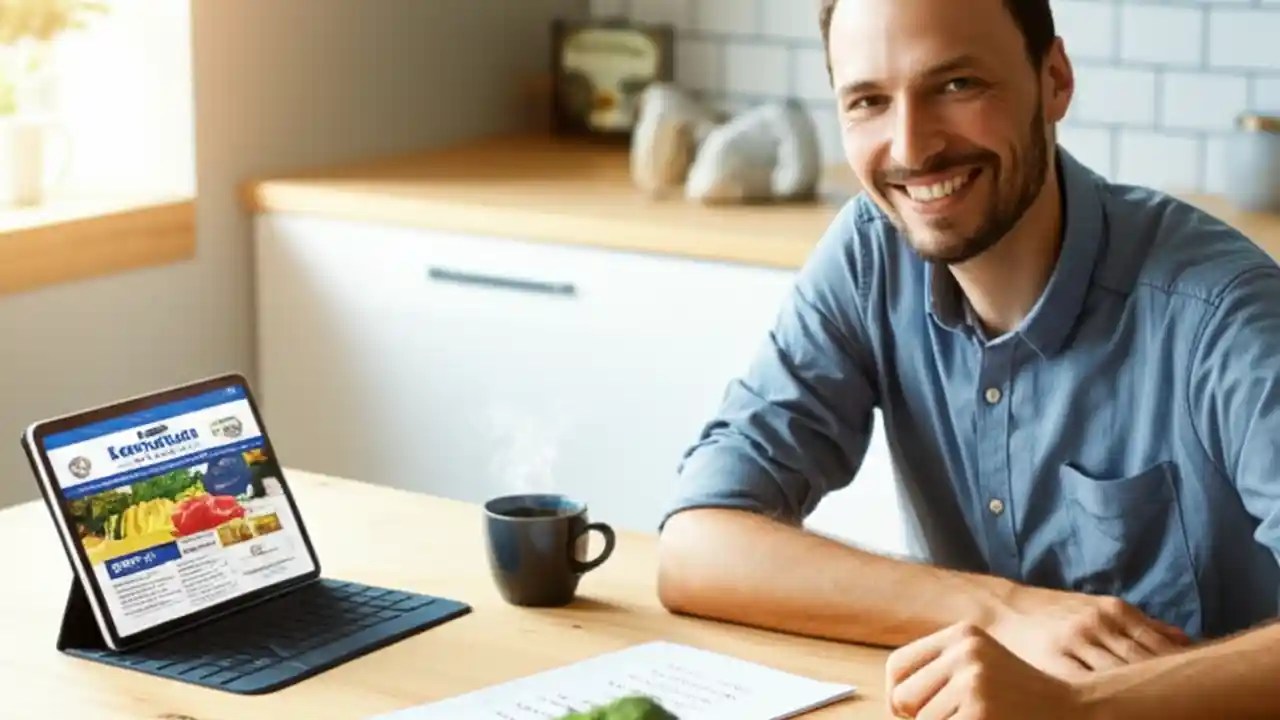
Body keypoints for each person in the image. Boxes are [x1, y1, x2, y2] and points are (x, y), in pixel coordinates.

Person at [655, 0, 1280, 716]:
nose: (912, 148)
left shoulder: (1221, 311)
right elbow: (696, 544)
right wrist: (1003, 611)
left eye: (956, 85)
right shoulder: (871, 253)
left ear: (1054, 80)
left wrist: (1074, 707)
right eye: (868, 101)